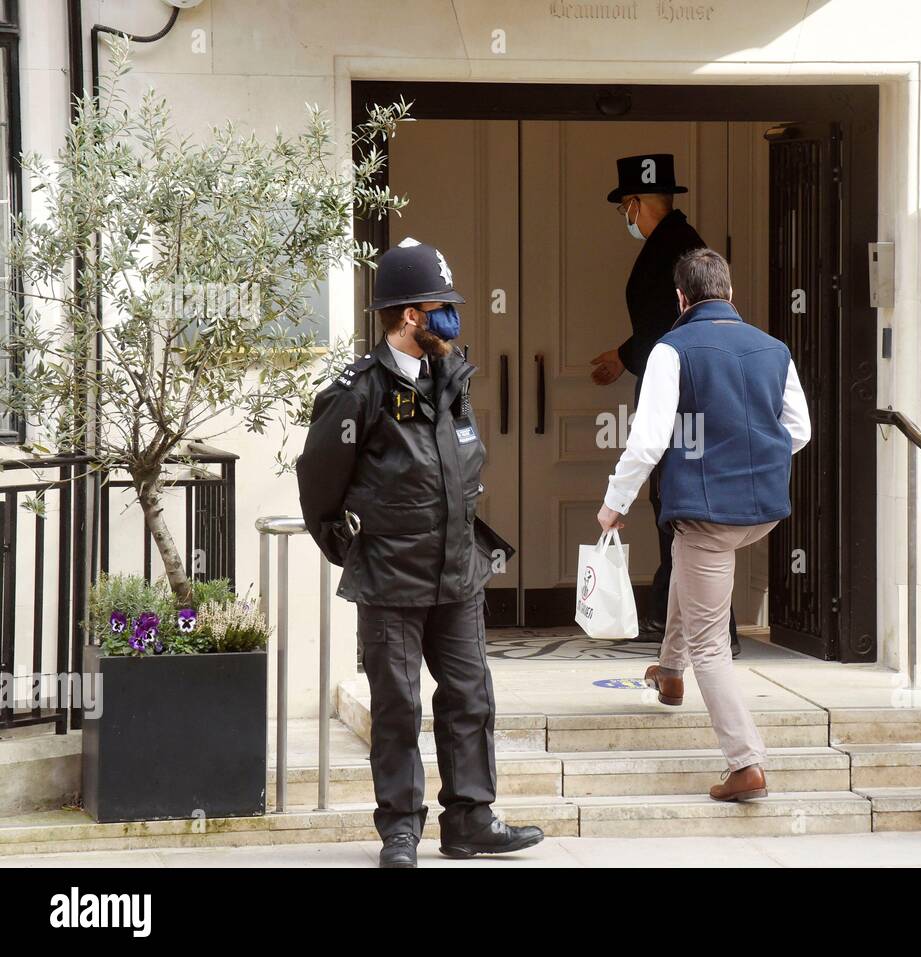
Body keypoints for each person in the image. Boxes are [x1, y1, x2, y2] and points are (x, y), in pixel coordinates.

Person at [297, 238, 543, 867]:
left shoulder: (450, 377)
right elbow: (319, 475)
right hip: (389, 577)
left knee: (469, 697)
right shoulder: (360, 390)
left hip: (458, 570)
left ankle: (470, 820)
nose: (453, 317)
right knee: (398, 705)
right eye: (443, 306)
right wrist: (344, 544)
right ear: (411, 315)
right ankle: (400, 832)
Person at [596, 248, 811, 801]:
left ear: (681, 298)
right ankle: (670, 672)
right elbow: (800, 429)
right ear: (730, 293)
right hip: (761, 510)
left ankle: (745, 763)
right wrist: (751, 458)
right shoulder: (774, 347)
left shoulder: (672, 349)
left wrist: (616, 500)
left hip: (707, 512)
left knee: (710, 640)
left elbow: (648, 438)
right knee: (693, 572)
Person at [589, 153, 743, 656]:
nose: (625, 219)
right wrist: (624, 353)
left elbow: (663, 328)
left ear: (634, 204)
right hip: (688, 393)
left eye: (624, 209)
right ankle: (683, 625)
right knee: (679, 507)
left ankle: (702, 629)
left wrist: (627, 355)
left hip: (678, 395)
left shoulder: (675, 250)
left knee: (677, 505)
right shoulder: (676, 242)